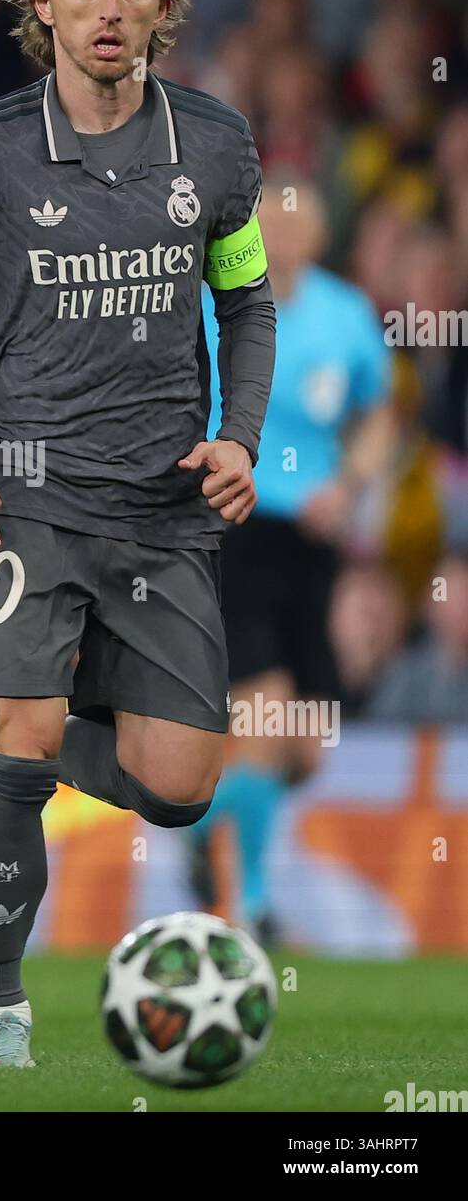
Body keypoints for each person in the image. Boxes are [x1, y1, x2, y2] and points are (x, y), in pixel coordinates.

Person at [0, 0, 276, 1068]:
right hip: (22, 497)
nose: (110, 9)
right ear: (43, 3)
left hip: (161, 508)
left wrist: (240, 434)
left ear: (163, 12)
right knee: (26, 732)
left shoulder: (212, 143)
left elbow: (243, 299)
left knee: (178, 786)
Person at [191, 184, 394, 940]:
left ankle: (185, 829)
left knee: (304, 750)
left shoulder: (346, 314)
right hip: (233, 528)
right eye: (268, 222)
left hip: (311, 544)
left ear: (317, 233)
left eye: (296, 221)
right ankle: (247, 907)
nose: (282, 234)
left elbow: (376, 412)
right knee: (266, 713)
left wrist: (347, 485)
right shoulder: (217, 307)